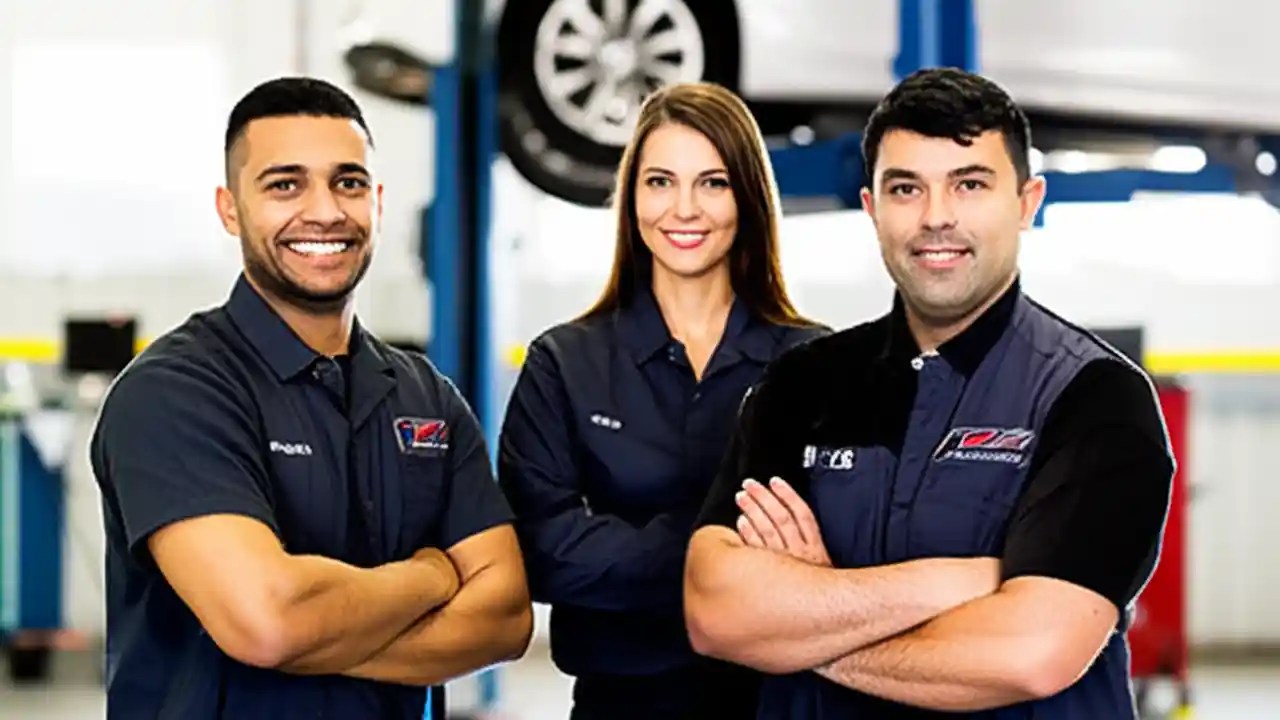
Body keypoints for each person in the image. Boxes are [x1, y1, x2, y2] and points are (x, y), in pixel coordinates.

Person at [683, 67, 1175, 719]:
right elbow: (716, 610)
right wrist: (961, 581)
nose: (936, 217)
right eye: (905, 188)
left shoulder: (1096, 398)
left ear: (1027, 203)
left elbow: (1034, 652)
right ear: (872, 208)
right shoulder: (801, 387)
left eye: (969, 185)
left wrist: (803, 628)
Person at [89, 77, 533, 720]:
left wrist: (309, 635)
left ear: (377, 201)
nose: (324, 210)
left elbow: (506, 618)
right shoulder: (173, 393)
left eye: (348, 182)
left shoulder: (426, 397)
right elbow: (267, 621)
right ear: (230, 207)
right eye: (284, 184)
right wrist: (433, 577)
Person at [496, 81, 829, 720]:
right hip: (620, 704)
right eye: (659, 182)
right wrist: (729, 556)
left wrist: (619, 549)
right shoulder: (565, 364)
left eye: (713, 182)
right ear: (631, 199)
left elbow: (839, 542)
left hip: (774, 704)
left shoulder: (813, 366)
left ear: (749, 198)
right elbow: (540, 548)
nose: (684, 208)